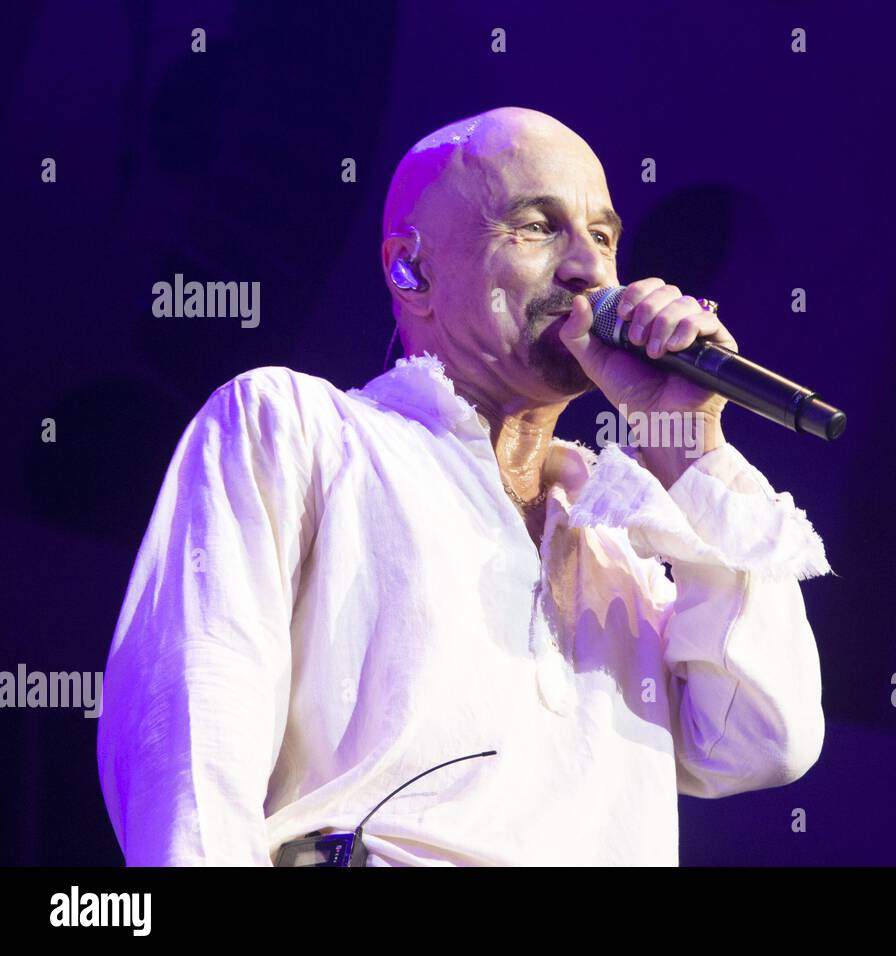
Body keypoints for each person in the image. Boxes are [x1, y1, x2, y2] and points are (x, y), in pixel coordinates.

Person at [97, 106, 832, 866]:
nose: (588, 268)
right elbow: (190, 739)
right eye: (537, 226)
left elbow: (763, 741)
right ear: (411, 268)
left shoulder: (621, 537)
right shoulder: (297, 428)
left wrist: (688, 441)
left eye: (604, 236)